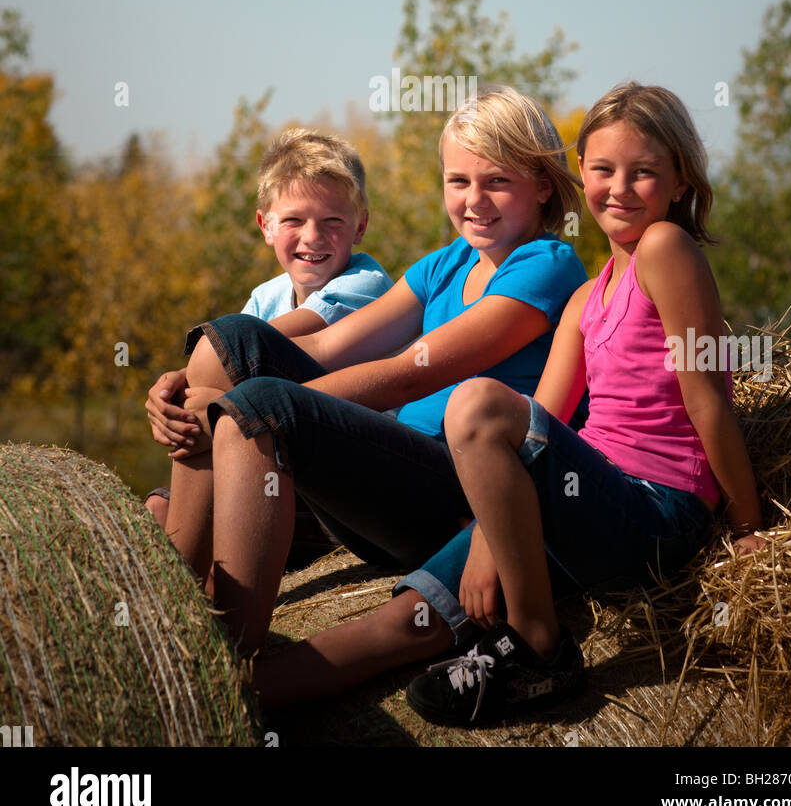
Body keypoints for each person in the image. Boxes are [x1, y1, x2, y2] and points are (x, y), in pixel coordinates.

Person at [161, 86, 588, 673]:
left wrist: (263, 408)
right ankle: (168, 588)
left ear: (543, 186)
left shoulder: (546, 264)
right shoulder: (446, 264)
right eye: (458, 181)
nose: (474, 200)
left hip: (455, 491)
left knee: (252, 407)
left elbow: (408, 377)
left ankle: (224, 664)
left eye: (497, 182)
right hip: (385, 487)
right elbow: (328, 345)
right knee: (232, 339)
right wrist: (184, 380)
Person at [403, 82, 768, 726]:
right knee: (404, 621)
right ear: (581, 174)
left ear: (681, 181)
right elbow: (539, 419)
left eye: (644, 172)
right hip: (589, 500)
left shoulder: (666, 249)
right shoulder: (585, 298)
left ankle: (539, 649)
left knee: (479, 403)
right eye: (602, 169)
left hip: (658, 508)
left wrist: (745, 529)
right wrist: (490, 534)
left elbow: (708, 398)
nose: (619, 188)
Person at [144, 127, 392, 530]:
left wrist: (185, 381)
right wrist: (170, 395)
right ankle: (192, 572)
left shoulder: (367, 283)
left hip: (351, 481)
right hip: (281, 466)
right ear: (266, 225)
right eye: (293, 220)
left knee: (212, 384)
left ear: (360, 226)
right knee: (158, 507)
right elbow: (225, 361)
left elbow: (249, 345)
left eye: (332, 221)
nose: (312, 237)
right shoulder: (266, 296)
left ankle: (185, 577)